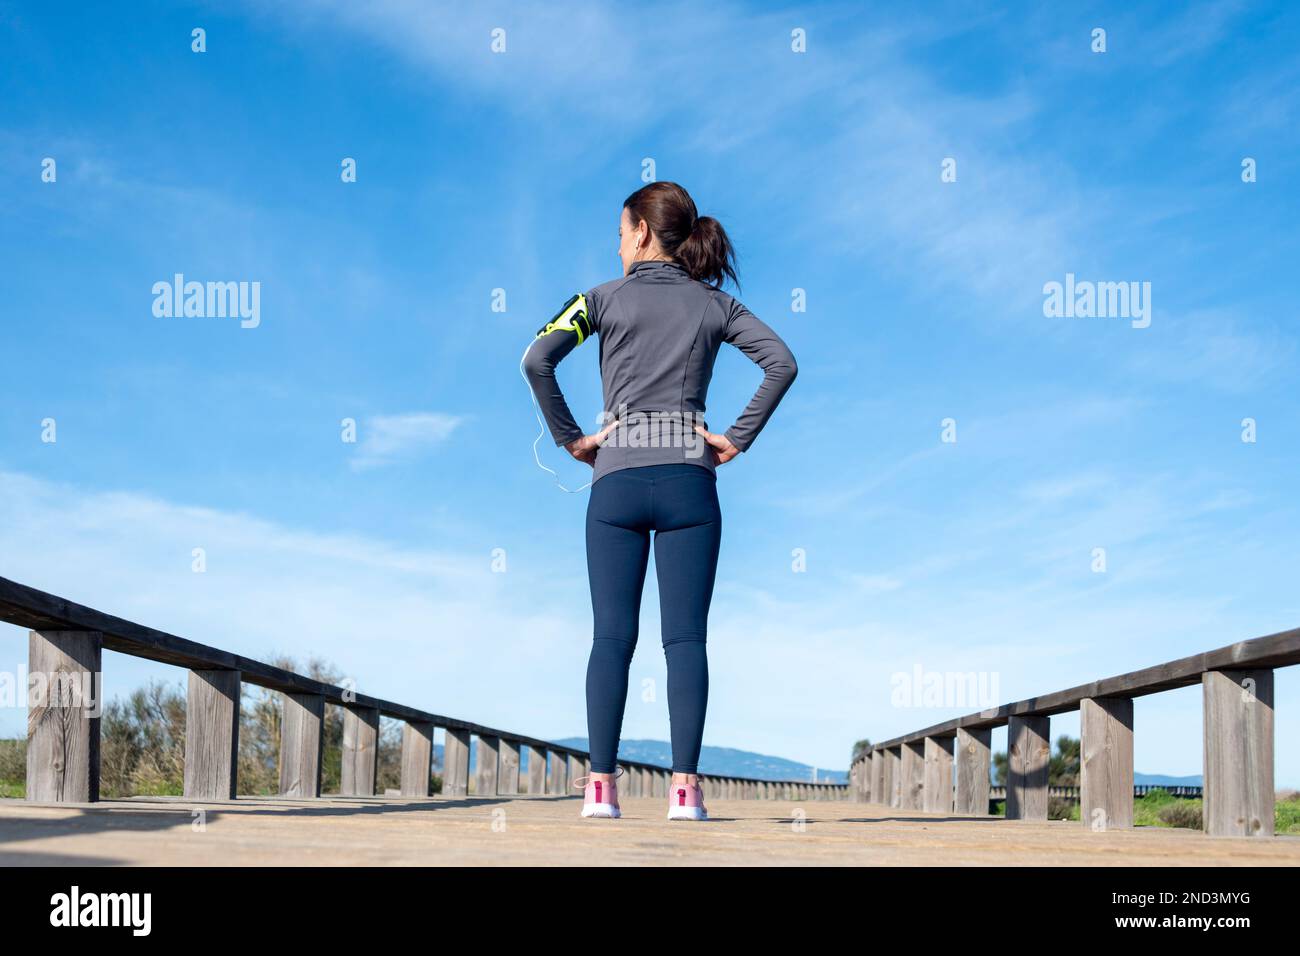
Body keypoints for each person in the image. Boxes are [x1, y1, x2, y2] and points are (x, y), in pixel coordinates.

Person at [522, 181, 797, 820]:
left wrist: (572, 440)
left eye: (621, 232)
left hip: (614, 480)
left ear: (642, 232)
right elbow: (780, 362)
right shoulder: (716, 305)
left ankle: (599, 791)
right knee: (686, 640)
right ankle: (685, 794)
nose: (617, 245)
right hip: (689, 485)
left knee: (612, 637)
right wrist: (735, 439)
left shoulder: (597, 300)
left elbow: (537, 359)